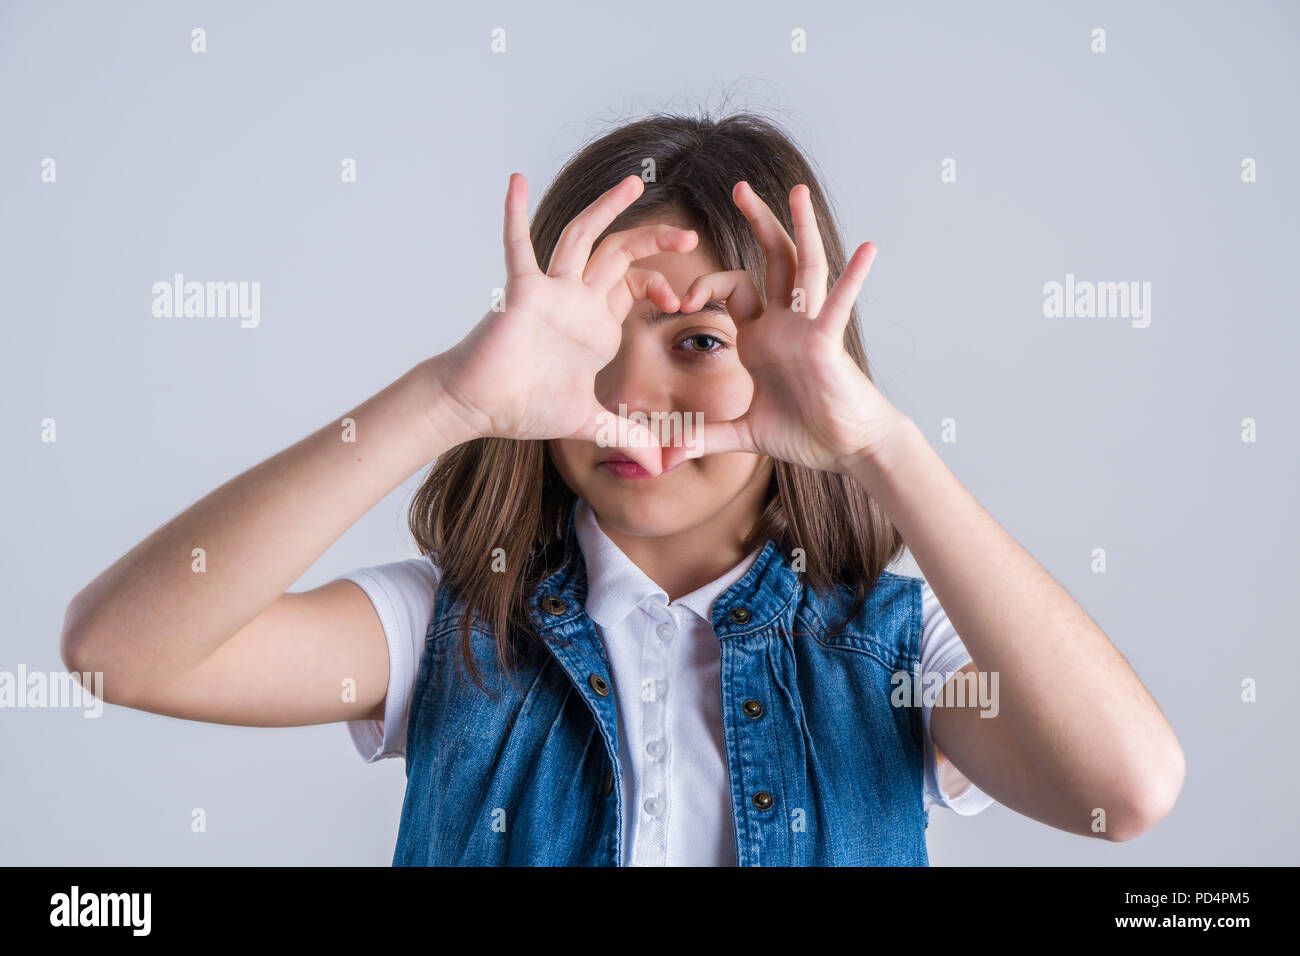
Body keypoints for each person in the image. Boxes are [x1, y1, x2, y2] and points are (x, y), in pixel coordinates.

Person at [60, 110, 1185, 866]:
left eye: (697, 339)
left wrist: (877, 440)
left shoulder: (895, 652)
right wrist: (446, 396)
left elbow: (1126, 787)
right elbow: (118, 649)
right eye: (595, 339)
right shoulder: (449, 631)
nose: (631, 390)